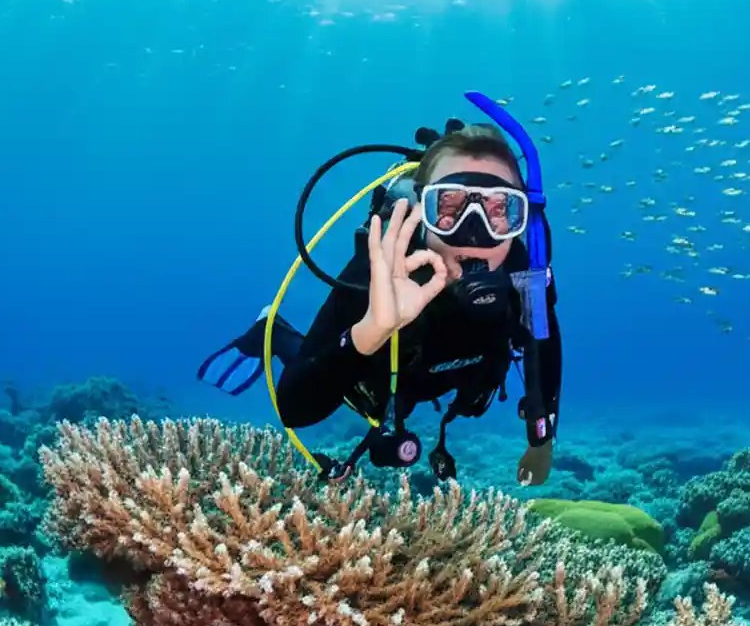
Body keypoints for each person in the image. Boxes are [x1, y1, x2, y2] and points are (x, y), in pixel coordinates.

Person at [199, 116, 562, 486]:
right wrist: (371, 331)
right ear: (421, 211)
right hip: (380, 380)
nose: (474, 232)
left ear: (524, 218)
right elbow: (296, 409)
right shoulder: (381, 272)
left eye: (500, 210)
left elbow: (544, 347)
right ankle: (272, 331)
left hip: (446, 379)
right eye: (448, 207)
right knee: (361, 391)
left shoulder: (524, 275)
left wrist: (541, 439)